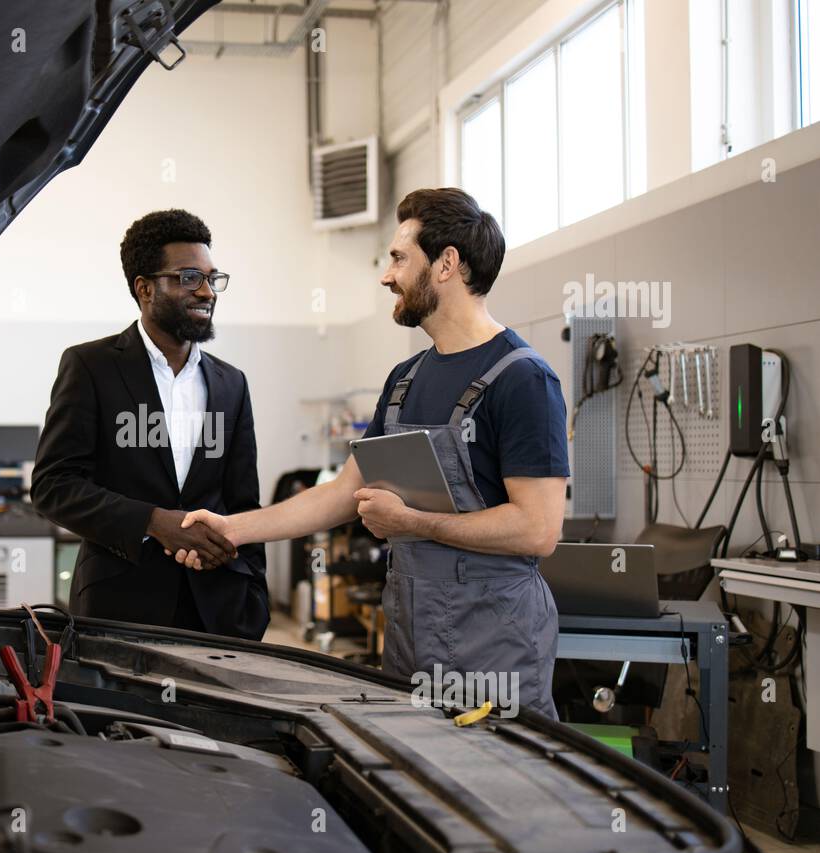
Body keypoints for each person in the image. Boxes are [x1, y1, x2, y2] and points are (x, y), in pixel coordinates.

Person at [175, 188, 569, 718]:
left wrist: (411, 521)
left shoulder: (523, 379)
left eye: (399, 258)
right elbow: (342, 492)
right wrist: (232, 529)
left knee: (493, 785)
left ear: (447, 264)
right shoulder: (405, 379)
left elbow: (537, 529)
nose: (387, 276)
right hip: (412, 626)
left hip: (493, 635)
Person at [30, 209, 269, 640]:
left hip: (218, 612)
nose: (207, 292)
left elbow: (243, 502)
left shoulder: (231, 384)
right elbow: (54, 486)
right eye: (189, 277)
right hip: (118, 608)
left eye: (213, 279)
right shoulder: (91, 366)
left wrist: (254, 594)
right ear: (144, 288)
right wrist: (153, 521)